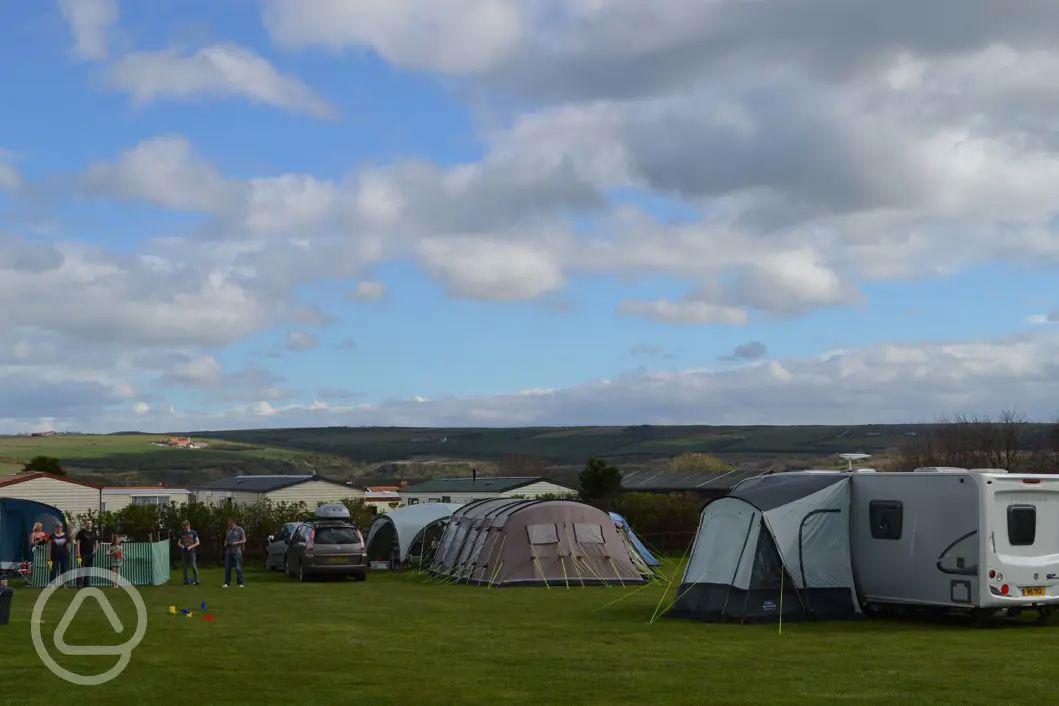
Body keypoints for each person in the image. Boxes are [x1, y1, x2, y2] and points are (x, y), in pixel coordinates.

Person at [223, 518, 246, 588]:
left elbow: (244, 540)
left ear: (233, 522)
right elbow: (226, 539)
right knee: (227, 568)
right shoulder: (228, 531)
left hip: (237, 551)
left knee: (238, 568)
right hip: (228, 552)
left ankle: (240, 583)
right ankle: (227, 583)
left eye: (229, 523)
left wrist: (236, 542)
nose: (228, 524)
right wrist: (225, 543)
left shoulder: (240, 530)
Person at [75, 519, 99, 588]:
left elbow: (96, 542)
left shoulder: (94, 532)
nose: (89, 524)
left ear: (92, 524)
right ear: (85, 524)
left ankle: (86, 584)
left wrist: (95, 551)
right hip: (82, 554)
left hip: (90, 554)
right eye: (87, 523)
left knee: (88, 569)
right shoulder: (81, 532)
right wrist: (78, 553)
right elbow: (78, 543)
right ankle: (79, 584)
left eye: (90, 523)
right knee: (80, 569)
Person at [178, 520, 201, 585]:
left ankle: (197, 580)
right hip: (184, 552)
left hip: (192, 552)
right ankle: (185, 581)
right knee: (185, 566)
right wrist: (183, 547)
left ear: (189, 525)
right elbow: (179, 543)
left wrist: (190, 547)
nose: (185, 529)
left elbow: (198, 542)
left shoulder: (193, 532)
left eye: (186, 527)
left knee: (193, 565)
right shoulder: (181, 533)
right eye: (184, 528)